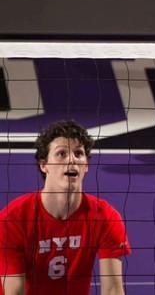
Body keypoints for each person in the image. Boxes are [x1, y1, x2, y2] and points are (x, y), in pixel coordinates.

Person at [0, 119, 130, 295]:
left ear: (87, 165)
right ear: (43, 165)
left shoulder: (105, 217)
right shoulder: (12, 219)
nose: (72, 160)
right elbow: (15, 292)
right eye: (61, 153)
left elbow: (113, 290)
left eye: (79, 153)